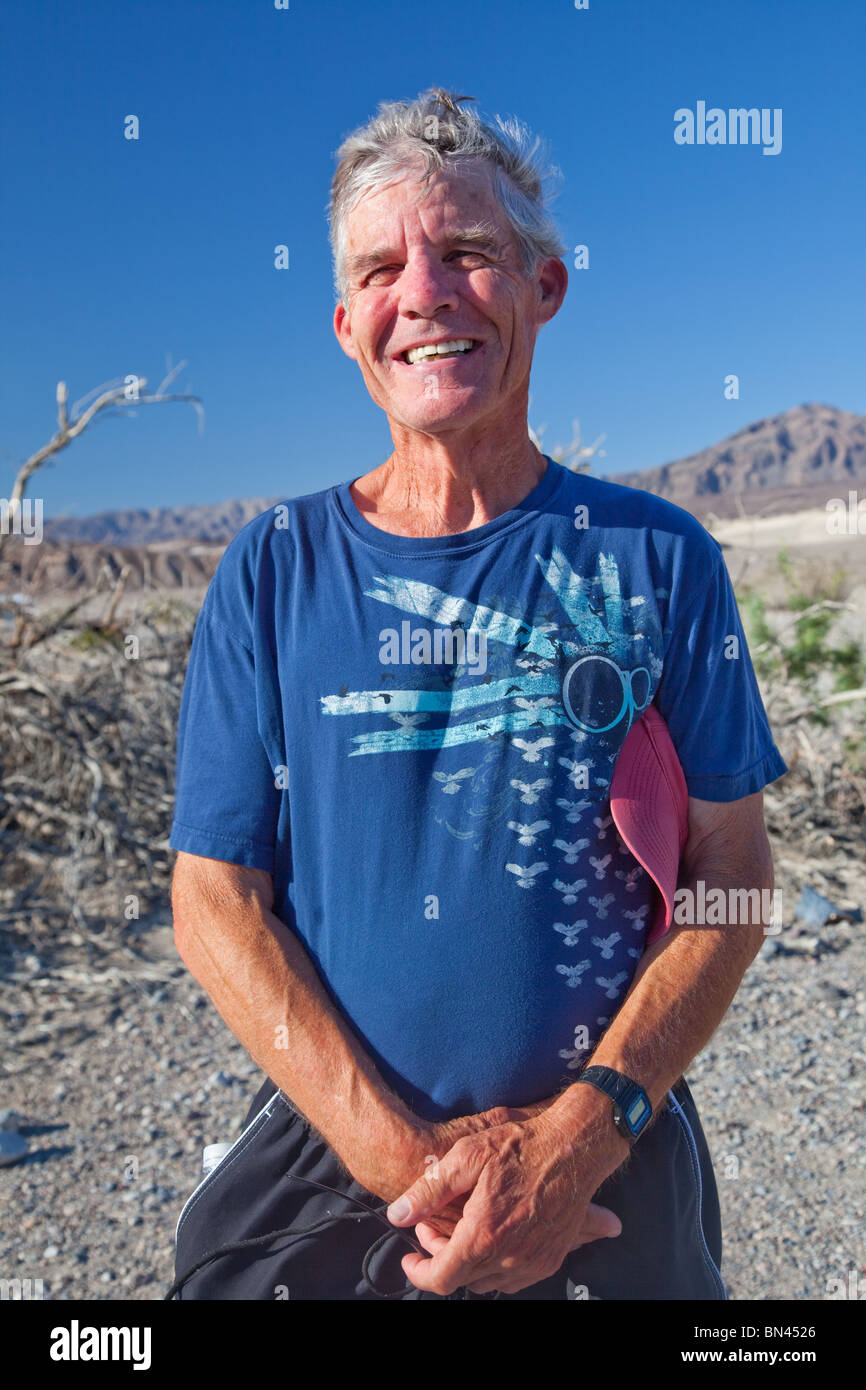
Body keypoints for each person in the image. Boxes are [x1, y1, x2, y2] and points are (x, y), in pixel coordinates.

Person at [167, 88, 787, 1301]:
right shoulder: (274, 569)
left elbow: (731, 870)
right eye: (383, 269)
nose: (426, 294)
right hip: (331, 1156)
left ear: (544, 287)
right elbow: (212, 900)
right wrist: (414, 1167)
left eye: (467, 254)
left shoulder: (655, 560)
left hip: (605, 1152)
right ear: (346, 321)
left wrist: (575, 1140)